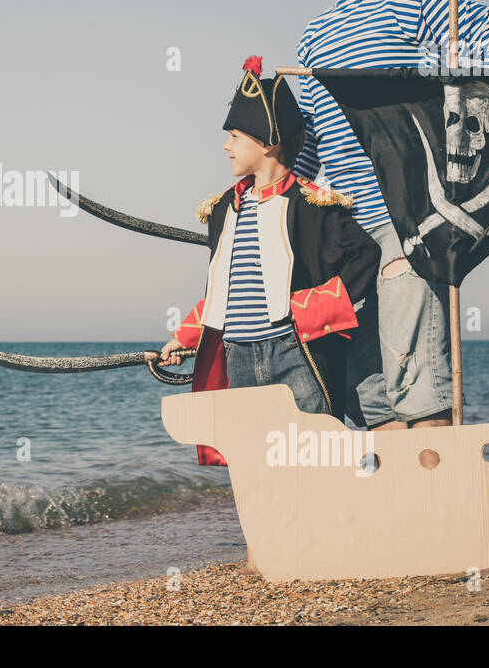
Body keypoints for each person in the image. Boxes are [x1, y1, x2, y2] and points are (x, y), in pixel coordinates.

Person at [293, 0, 489, 431]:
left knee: (419, 387)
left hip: (409, 222)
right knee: (369, 395)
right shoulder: (312, 37)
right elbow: (310, 145)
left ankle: (444, 506)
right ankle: (398, 510)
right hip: (345, 238)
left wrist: (441, 72)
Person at [158, 56, 381, 432]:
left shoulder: (314, 205)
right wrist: (185, 336)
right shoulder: (222, 210)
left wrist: (311, 309)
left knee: (314, 453)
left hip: (297, 351)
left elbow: (366, 256)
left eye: (234, 137)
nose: (226, 146)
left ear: (268, 142)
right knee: (257, 462)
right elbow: (222, 290)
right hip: (238, 355)